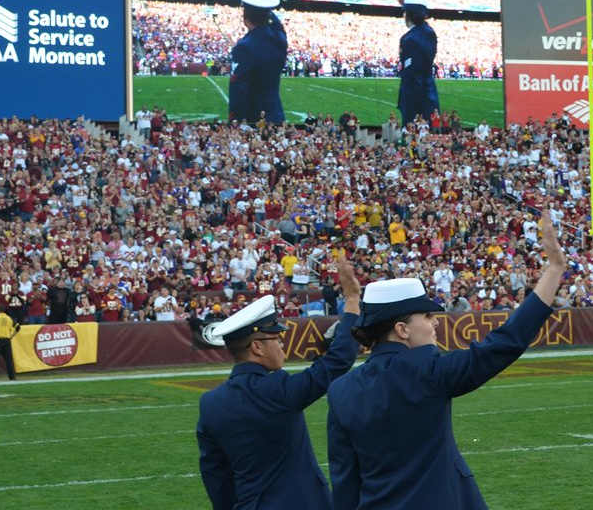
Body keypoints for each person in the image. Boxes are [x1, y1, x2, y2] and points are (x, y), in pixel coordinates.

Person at [326, 216, 567, 510]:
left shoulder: (340, 391)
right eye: (427, 317)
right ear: (402, 330)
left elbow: (345, 485)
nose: (434, 324)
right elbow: (505, 343)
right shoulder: (429, 372)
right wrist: (554, 270)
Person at [197, 260, 362, 510]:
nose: (282, 345)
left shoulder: (209, 403)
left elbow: (215, 476)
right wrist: (351, 300)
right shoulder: (277, 388)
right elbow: (337, 361)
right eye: (276, 338)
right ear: (257, 347)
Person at [228, 0, 288, 125]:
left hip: (253, 117)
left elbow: (238, 88)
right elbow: (278, 26)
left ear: (245, 16)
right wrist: (266, 10)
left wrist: (234, 118)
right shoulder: (280, 38)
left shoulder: (244, 47)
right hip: (275, 113)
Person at [396, 0, 439, 126]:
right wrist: (407, 2)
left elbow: (412, 71)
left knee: (414, 134)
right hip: (425, 90)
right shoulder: (426, 32)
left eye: (406, 13)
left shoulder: (410, 38)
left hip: (416, 95)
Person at [0, 307, 19, 381]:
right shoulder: (9, 318)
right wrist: (12, 336)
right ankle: (12, 378)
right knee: (9, 361)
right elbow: (18, 327)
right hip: (7, 340)